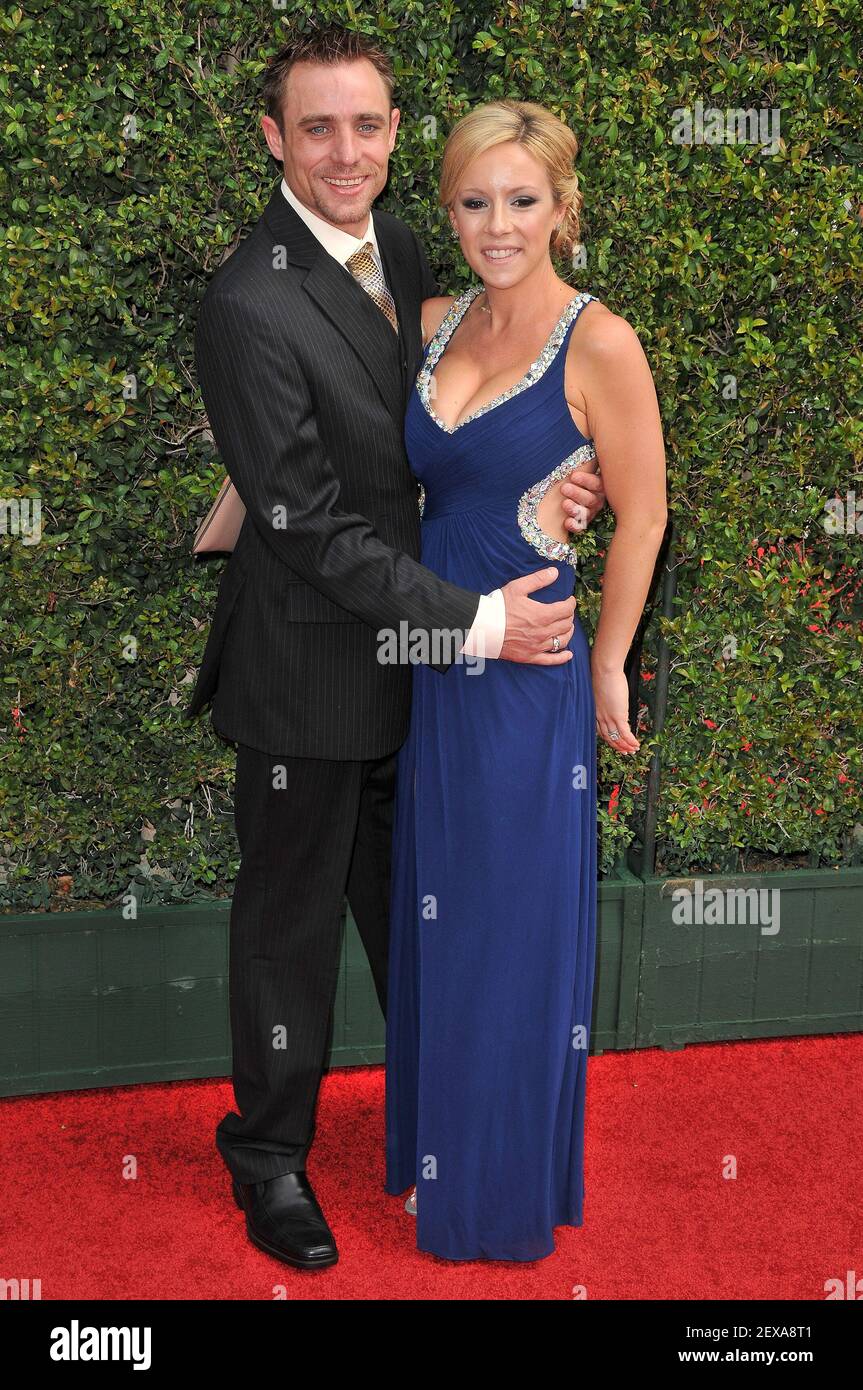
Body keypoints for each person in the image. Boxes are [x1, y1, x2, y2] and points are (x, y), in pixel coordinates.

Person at [185, 28, 607, 1269]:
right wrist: (475, 618)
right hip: (312, 673)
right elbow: (307, 521)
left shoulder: (410, 249)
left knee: (421, 919)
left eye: (367, 126)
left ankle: (442, 1139)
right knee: (289, 931)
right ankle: (265, 1160)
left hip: (419, 684)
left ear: (389, 130)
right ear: (273, 139)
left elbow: (454, 421)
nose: (345, 151)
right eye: (317, 128)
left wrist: (552, 486)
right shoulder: (247, 299)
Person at [385, 99, 668, 1261]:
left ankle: (493, 1186)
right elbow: (393, 481)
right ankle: (436, 1145)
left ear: (561, 207)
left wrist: (606, 662)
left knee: (506, 922)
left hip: (527, 666)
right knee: (436, 910)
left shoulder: (598, 340)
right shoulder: (429, 323)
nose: (495, 224)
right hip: (434, 653)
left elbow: (642, 512)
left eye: (520, 201)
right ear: (446, 206)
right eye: (472, 201)